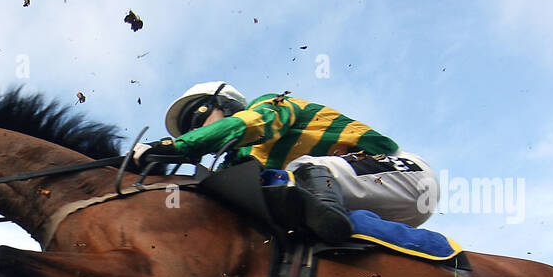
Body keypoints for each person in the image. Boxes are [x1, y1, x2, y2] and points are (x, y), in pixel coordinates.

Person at [133, 82, 438, 241]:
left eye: (197, 117)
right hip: (372, 204)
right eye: (188, 129)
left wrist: (180, 146)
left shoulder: (270, 105)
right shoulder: (238, 164)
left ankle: (327, 221)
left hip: (404, 176)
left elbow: (251, 124)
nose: (195, 129)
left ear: (225, 105)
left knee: (294, 174)